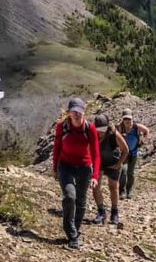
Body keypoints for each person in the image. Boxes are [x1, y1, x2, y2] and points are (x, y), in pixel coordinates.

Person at [50, 97, 100, 248]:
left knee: (81, 202)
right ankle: (71, 233)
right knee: (69, 196)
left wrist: (95, 176)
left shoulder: (89, 128)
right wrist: (55, 168)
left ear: (83, 112)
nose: (77, 114)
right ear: (69, 113)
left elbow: (96, 154)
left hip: (84, 167)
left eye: (79, 111)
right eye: (74, 112)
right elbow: (56, 147)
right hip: (65, 166)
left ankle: (75, 231)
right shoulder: (62, 127)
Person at [90, 113, 129, 226]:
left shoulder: (113, 134)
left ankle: (114, 211)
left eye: (103, 129)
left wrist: (118, 164)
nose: (100, 132)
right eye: (98, 130)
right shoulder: (92, 134)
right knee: (95, 185)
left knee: (113, 186)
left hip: (113, 161)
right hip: (99, 162)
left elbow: (125, 150)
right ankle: (101, 211)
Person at [117, 111, 150, 200]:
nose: (127, 121)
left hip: (134, 152)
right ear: (122, 119)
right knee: (123, 171)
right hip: (124, 153)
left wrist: (144, 139)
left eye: (129, 119)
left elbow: (146, 130)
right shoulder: (120, 128)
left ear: (132, 118)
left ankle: (129, 191)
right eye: (125, 119)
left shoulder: (136, 126)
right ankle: (122, 191)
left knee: (130, 173)